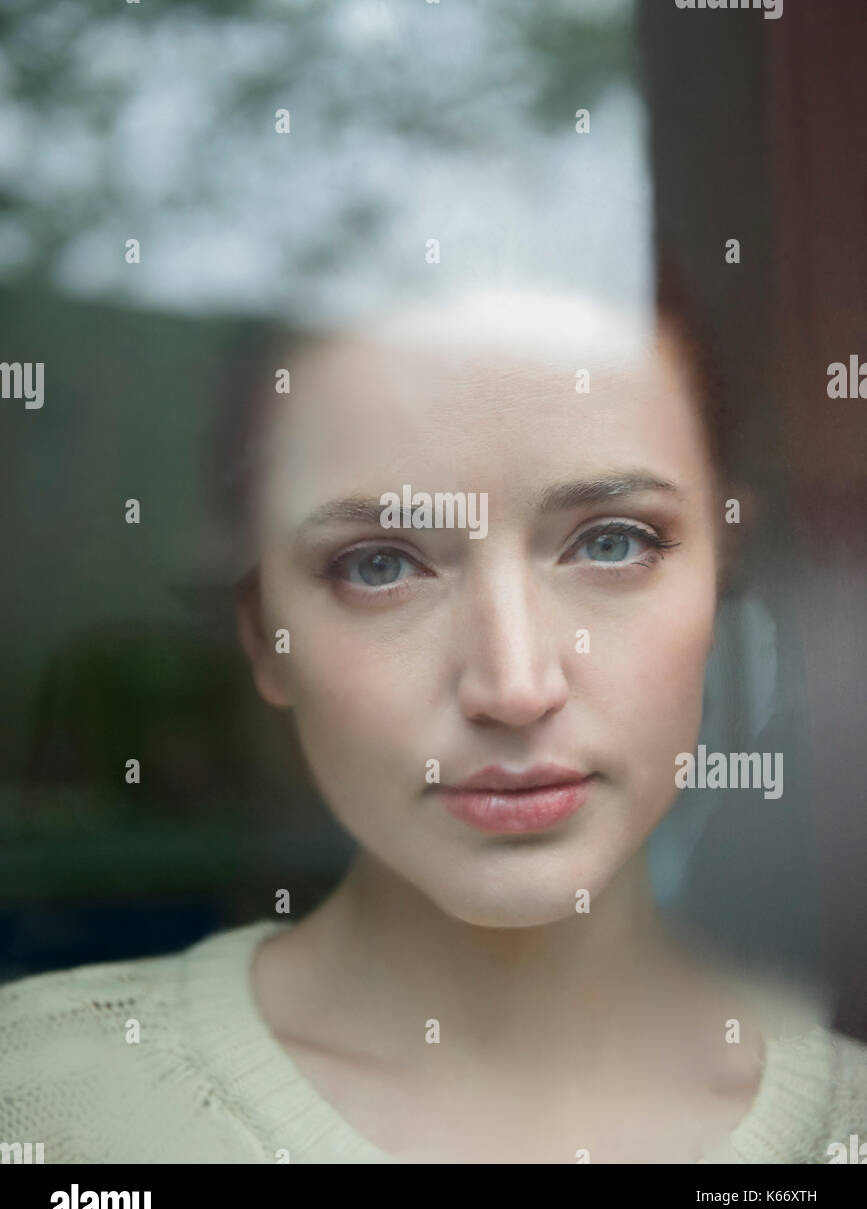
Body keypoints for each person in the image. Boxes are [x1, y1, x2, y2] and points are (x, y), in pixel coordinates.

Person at [1, 288, 864, 1164]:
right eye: (379, 565)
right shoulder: (35, 1110)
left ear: (722, 577)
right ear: (264, 634)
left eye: (611, 542)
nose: (514, 686)